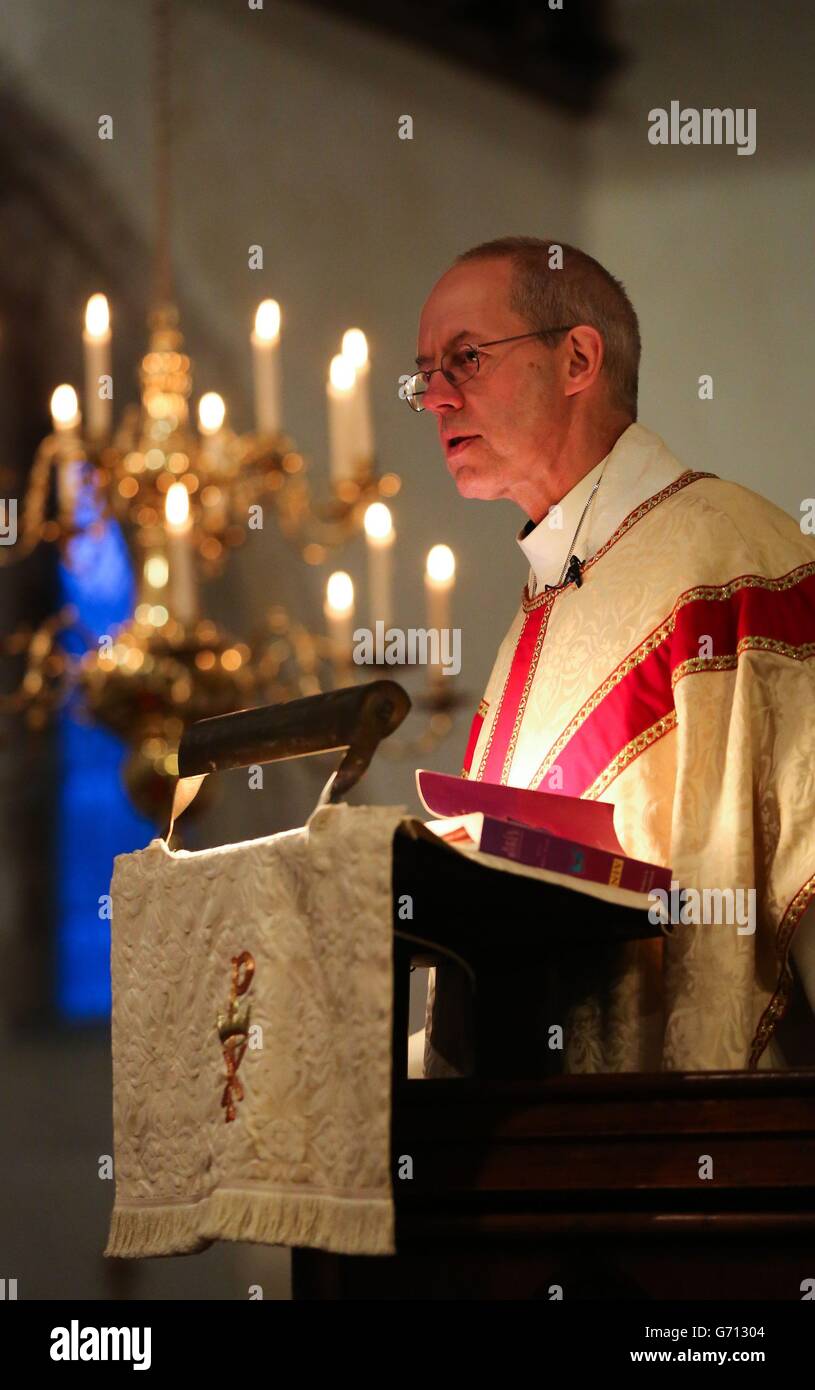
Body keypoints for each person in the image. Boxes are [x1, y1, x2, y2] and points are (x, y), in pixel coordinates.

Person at [405, 236, 815, 1076]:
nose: (435, 400)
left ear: (577, 359)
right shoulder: (549, 602)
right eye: (424, 375)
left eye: (465, 359)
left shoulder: (726, 556)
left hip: (712, 1149)